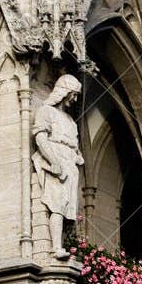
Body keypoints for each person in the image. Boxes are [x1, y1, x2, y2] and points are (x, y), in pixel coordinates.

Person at [32, 75, 84, 258]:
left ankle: (61, 244)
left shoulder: (70, 120)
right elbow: (40, 137)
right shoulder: (46, 111)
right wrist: (53, 161)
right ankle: (55, 247)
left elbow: (73, 145)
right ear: (64, 92)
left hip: (70, 165)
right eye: (73, 94)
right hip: (57, 161)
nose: (74, 99)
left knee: (69, 209)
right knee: (57, 205)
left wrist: (77, 157)